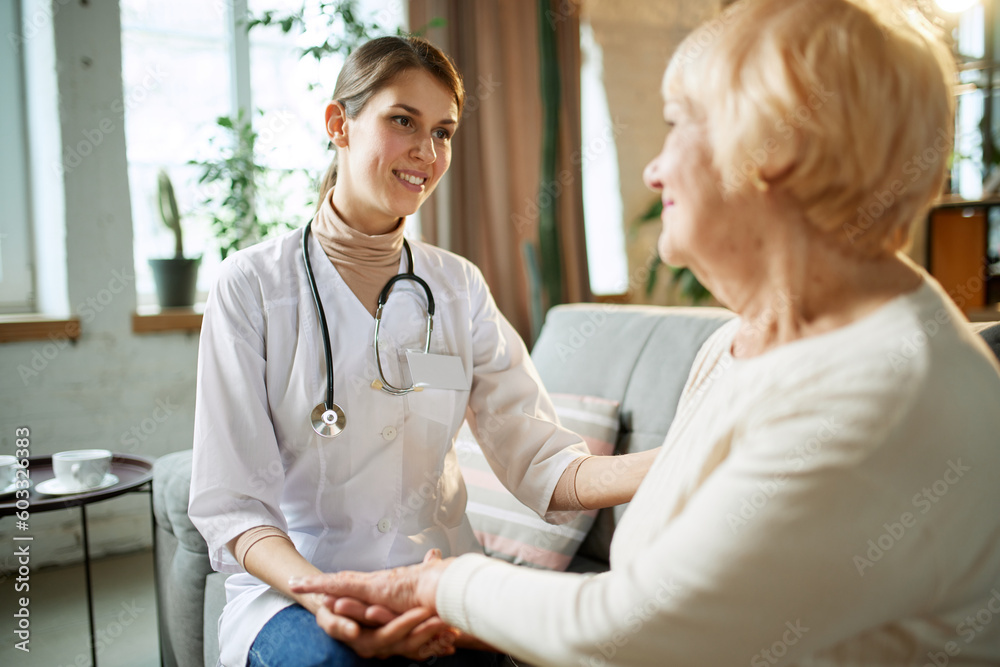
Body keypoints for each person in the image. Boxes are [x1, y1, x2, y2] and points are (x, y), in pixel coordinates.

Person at [289, 1, 1000, 665]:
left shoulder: (883, 387)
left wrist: (442, 586)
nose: (654, 171)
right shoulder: (738, 343)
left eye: (675, 122)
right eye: (402, 121)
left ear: (777, 143)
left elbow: (632, 625)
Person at [188, 35, 657, 667]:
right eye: (402, 121)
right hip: (297, 589)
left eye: (443, 131)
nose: (426, 152)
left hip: (437, 580)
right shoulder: (252, 287)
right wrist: (328, 597)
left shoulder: (457, 287)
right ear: (339, 125)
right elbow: (233, 505)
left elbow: (545, 462)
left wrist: (689, 455)